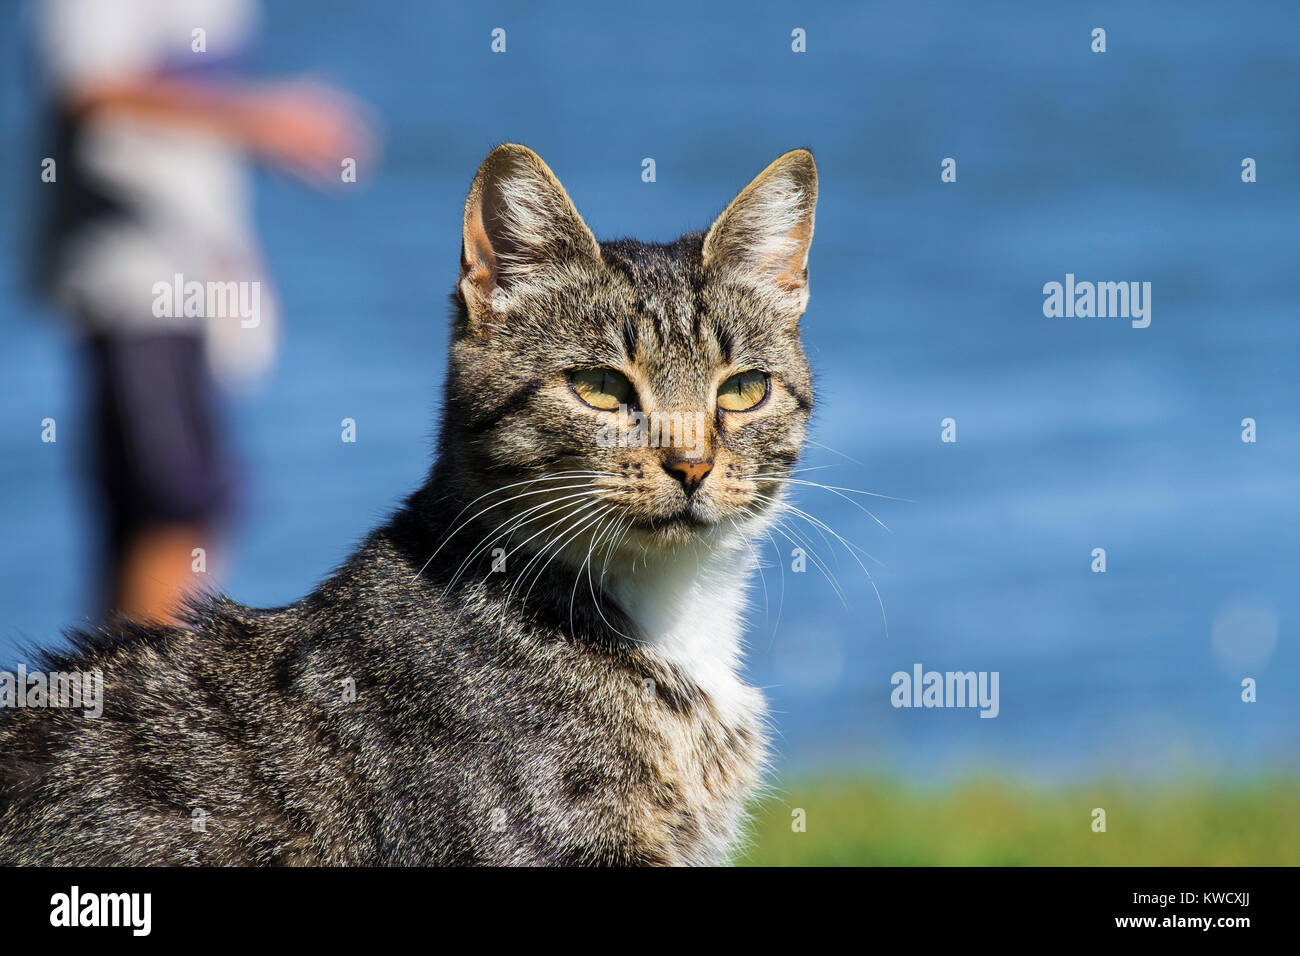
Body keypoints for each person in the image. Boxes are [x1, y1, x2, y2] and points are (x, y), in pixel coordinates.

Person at [30, 0, 375, 624]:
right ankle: (130, 708)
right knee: (175, 508)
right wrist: (260, 119)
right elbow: (88, 89)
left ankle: (93, 706)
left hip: (195, 279)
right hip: (129, 278)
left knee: (162, 515)